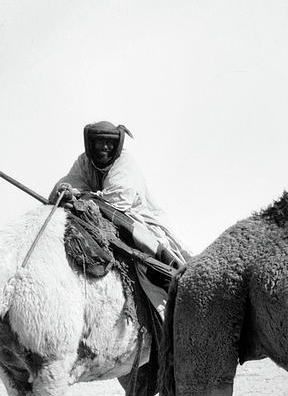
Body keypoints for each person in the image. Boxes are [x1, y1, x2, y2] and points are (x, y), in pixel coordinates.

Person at [50, 121, 188, 312]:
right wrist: (64, 193)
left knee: (146, 246)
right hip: (96, 212)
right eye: (100, 142)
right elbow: (69, 183)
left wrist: (79, 197)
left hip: (135, 218)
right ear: (91, 144)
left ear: (117, 145)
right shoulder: (84, 162)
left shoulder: (125, 163)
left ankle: (172, 281)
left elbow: (117, 201)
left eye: (110, 143)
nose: (105, 147)